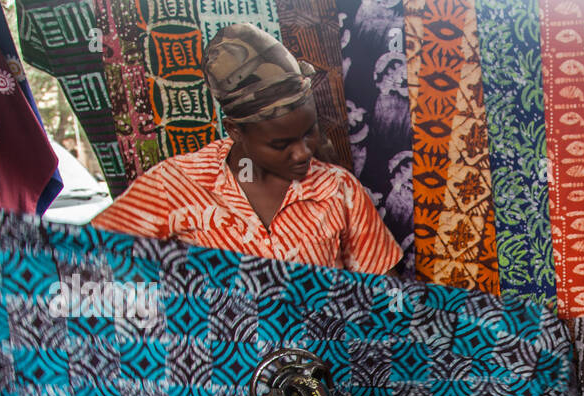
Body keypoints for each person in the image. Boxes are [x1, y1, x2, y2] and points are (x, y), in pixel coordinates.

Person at [93, 23, 401, 274]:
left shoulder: (338, 189)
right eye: (280, 144)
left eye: (309, 133)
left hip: (316, 352)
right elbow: (85, 264)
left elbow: (385, 300)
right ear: (235, 131)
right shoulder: (173, 186)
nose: (303, 153)